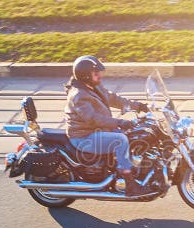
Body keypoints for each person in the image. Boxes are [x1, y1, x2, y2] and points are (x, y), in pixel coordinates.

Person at [64, 55, 150, 196]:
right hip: (84, 137)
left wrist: (139, 105)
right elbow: (93, 119)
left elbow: (113, 98)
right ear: (85, 76)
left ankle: (131, 168)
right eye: (96, 73)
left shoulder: (93, 86)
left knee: (133, 134)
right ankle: (130, 185)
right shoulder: (79, 95)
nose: (100, 75)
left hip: (95, 131)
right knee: (120, 140)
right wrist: (120, 122)